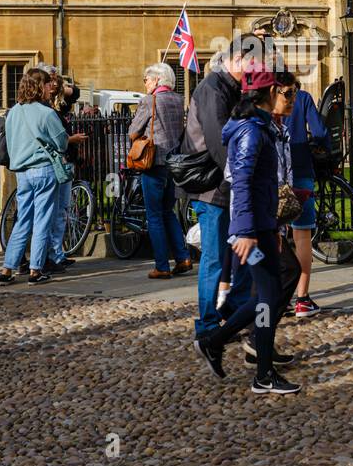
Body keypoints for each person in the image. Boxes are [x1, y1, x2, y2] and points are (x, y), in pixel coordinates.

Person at [193, 61, 300, 395]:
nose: (290, 98)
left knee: (270, 295)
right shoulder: (252, 131)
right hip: (252, 229)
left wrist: (272, 229)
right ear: (269, 92)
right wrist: (244, 231)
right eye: (285, 92)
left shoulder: (260, 126)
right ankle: (258, 369)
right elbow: (239, 180)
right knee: (267, 297)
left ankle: (220, 344)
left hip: (262, 226)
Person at [186, 40, 252, 340]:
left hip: (225, 187)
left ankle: (232, 310)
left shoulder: (232, 88)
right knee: (214, 258)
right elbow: (218, 141)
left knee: (241, 255)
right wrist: (242, 179)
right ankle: (207, 324)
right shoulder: (213, 88)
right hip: (212, 189)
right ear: (238, 59)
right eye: (253, 63)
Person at [0, 69, 68, 285]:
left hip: (22, 172)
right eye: (48, 85)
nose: (51, 88)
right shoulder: (46, 113)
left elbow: (10, 142)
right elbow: (62, 142)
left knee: (23, 220)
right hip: (43, 169)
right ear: (41, 86)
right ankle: (35, 269)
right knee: (42, 220)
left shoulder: (13, 112)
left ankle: (7, 269)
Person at [127, 62, 192, 280]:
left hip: (153, 163)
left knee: (154, 215)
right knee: (168, 212)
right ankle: (183, 258)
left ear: (157, 80)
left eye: (146, 79)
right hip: (174, 163)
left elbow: (133, 131)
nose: (145, 83)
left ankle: (162, 266)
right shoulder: (177, 99)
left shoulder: (149, 100)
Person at [279, 71, 328, 317]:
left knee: (274, 236)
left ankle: (279, 296)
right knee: (302, 235)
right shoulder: (304, 98)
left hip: (276, 173)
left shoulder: (267, 100)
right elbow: (319, 132)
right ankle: (302, 298)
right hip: (300, 169)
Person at [45, 71, 87, 272]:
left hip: (66, 161)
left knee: (62, 210)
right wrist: (70, 140)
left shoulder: (60, 104)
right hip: (52, 162)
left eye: (54, 82)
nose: (51, 86)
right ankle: (47, 256)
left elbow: (76, 93)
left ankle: (57, 254)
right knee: (50, 211)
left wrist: (59, 85)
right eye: (47, 82)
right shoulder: (41, 107)